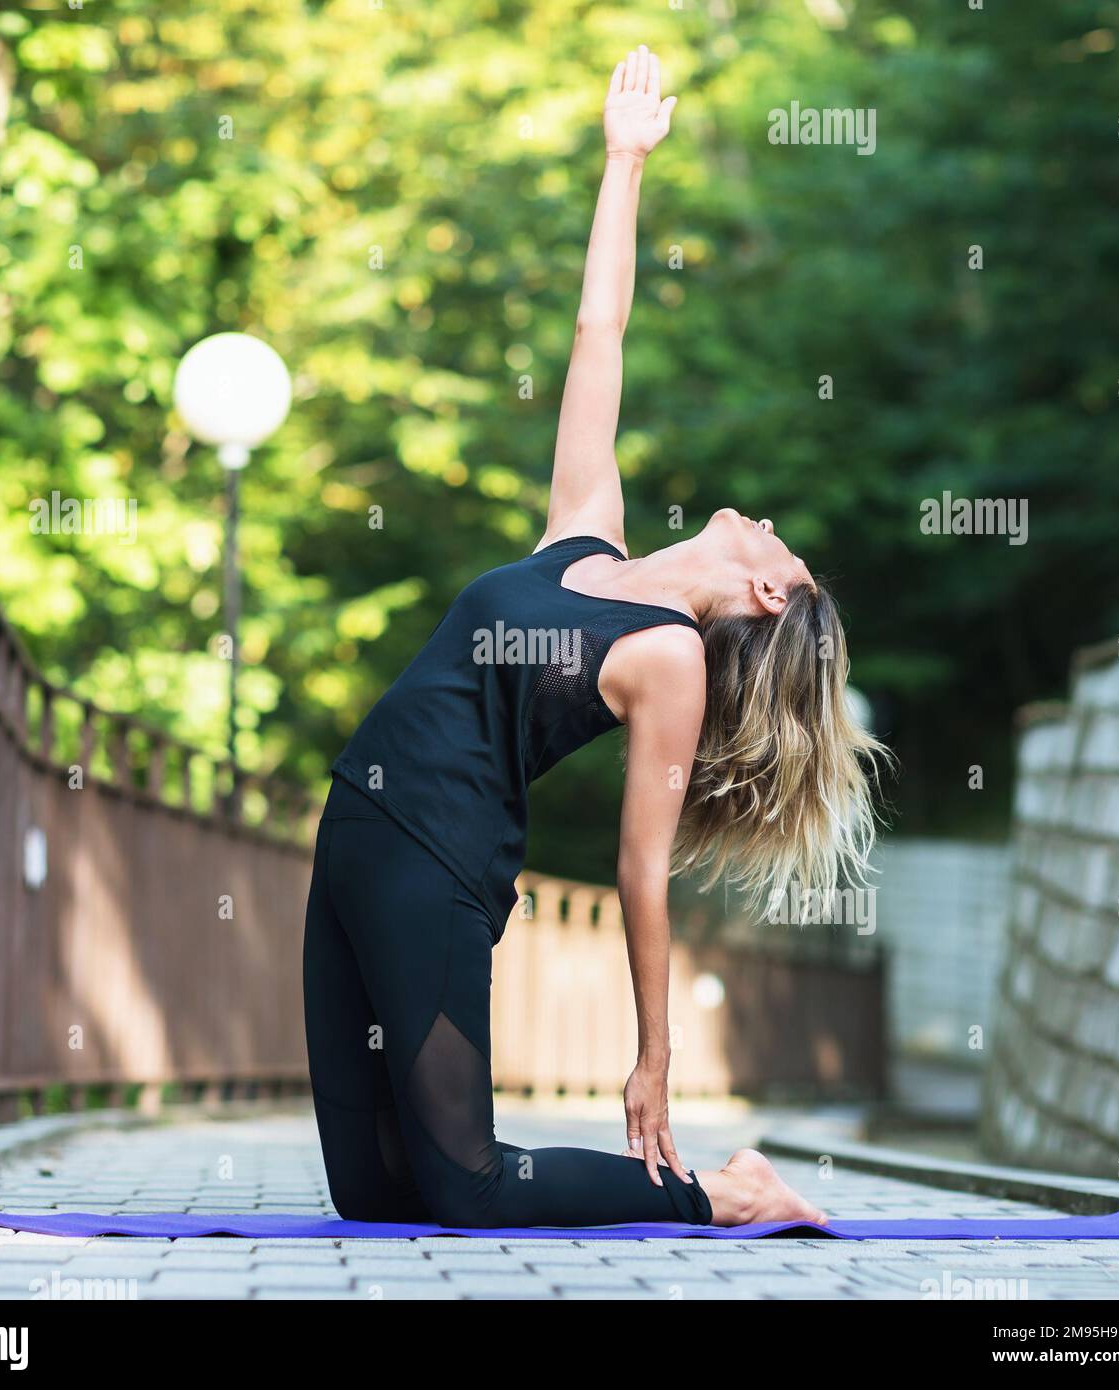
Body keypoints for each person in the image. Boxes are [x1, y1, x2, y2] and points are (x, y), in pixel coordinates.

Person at [303, 46, 883, 1228]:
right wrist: (623, 163)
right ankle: (699, 1191)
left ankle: (724, 1194)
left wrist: (652, 1057)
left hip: (439, 856)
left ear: (768, 600)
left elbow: (638, 869)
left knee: (461, 1186)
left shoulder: (668, 659)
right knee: (372, 1194)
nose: (774, 530)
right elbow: (596, 333)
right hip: (355, 823)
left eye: (790, 557)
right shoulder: (582, 542)